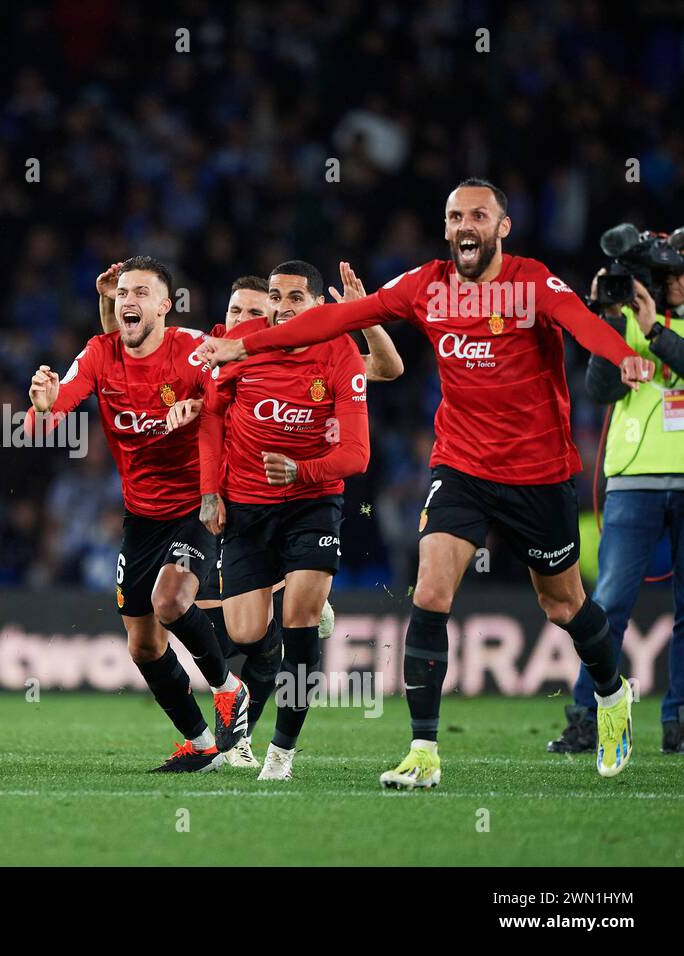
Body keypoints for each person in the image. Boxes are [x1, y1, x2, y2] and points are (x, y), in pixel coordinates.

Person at [198, 178, 656, 785]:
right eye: (455, 216)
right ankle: (423, 752)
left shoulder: (531, 282)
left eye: (479, 215)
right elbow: (330, 319)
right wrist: (241, 347)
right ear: (446, 229)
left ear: (502, 227)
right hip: (460, 465)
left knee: (562, 604)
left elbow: (578, 320)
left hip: (536, 471)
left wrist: (622, 350)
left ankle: (611, 691)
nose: (466, 225)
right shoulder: (424, 286)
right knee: (430, 595)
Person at [28, 256, 244, 772]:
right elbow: (59, 409)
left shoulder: (194, 350)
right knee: (144, 647)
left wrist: (202, 408)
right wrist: (43, 403)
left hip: (197, 504)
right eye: (123, 292)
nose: (129, 299)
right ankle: (199, 743)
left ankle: (228, 688)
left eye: (142, 292)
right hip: (140, 516)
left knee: (170, 601)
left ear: (166, 305)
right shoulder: (100, 353)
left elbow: (235, 403)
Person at [191, 261, 378, 779]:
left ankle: (281, 753)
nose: (281, 307)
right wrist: (210, 491)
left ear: (318, 305)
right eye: (275, 296)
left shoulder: (338, 350)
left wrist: (302, 470)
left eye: (295, 298)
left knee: (297, 623)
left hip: (312, 501)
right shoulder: (246, 341)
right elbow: (211, 417)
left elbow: (358, 456)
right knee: (247, 631)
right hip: (248, 508)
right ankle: (299, 604)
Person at [549, 271, 684, 754]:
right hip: (633, 481)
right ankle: (588, 716)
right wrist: (610, 316)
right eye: (671, 272)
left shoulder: (648, 326)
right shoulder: (624, 320)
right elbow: (599, 389)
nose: (676, 282)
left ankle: (679, 724)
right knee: (608, 605)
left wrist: (653, 334)